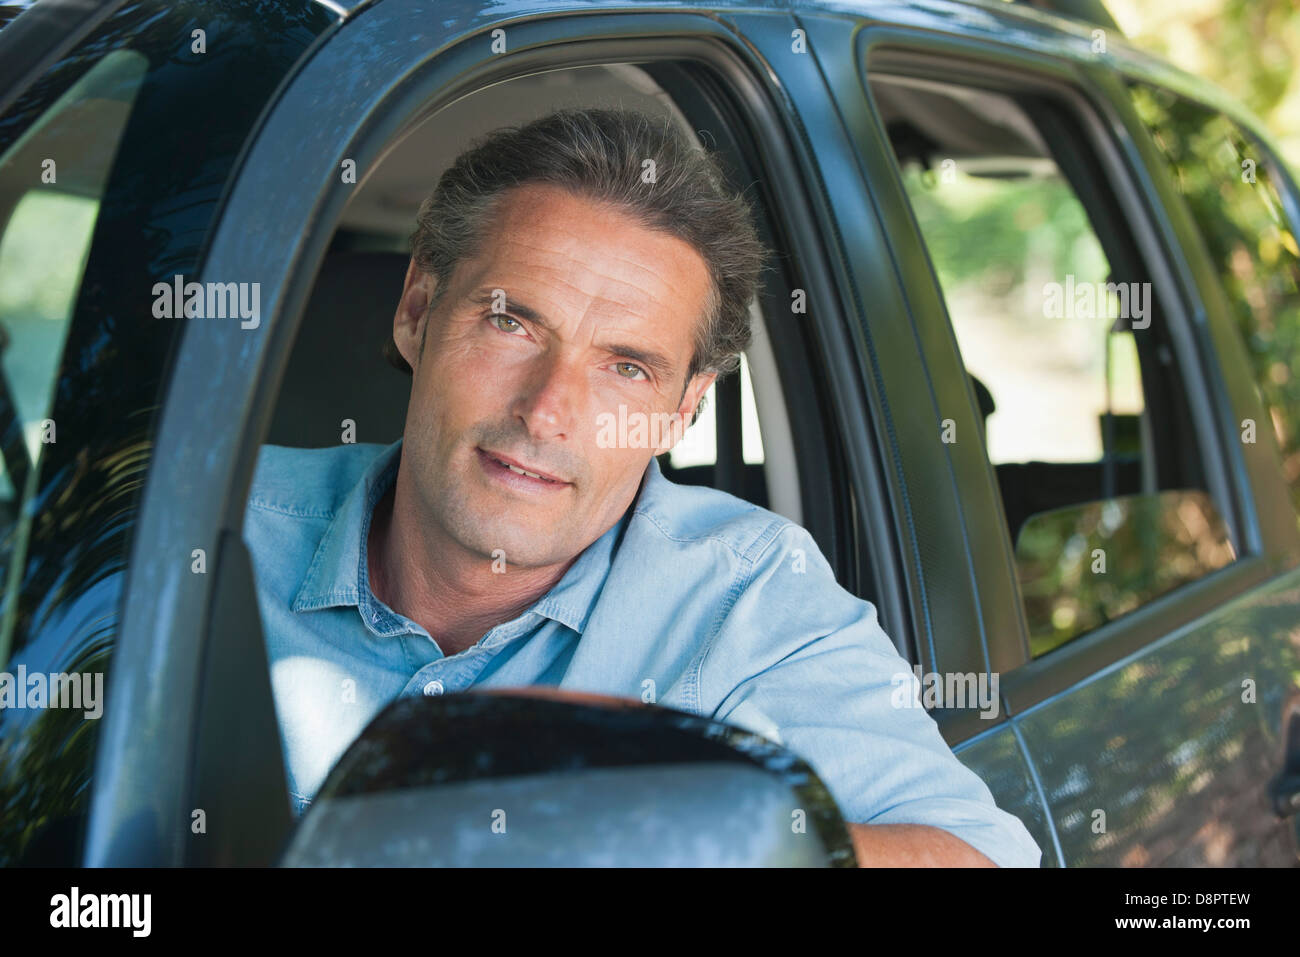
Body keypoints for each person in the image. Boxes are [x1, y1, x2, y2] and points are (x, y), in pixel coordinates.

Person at [243, 107, 1042, 867]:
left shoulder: (746, 597)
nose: (548, 412)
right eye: (513, 322)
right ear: (418, 311)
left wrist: (686, 835)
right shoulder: (206, 531)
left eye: (626, 367)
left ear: (682, 411)